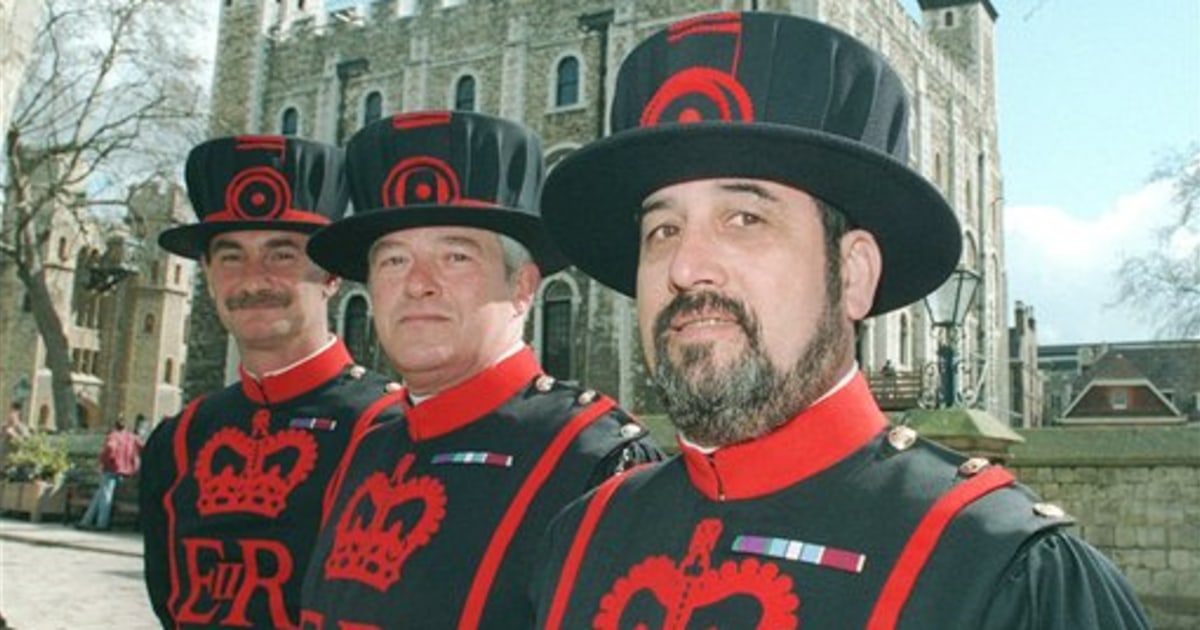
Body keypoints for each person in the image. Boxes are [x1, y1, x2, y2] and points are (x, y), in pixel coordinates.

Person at [530, 12, 1150, 629]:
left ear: (852, 272)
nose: (686, 266)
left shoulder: (1006, 577)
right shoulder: (580, 540)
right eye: (662, 229)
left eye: (745, 219)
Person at [297, 110, 663, 629]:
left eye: (455, 257)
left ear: (523, 286)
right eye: (394, 261)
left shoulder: (592, 462)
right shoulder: (365, 447)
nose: (418, 283)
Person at [141, 135, 401, 628]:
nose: (253, 279)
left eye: (281, 255)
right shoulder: (178, 441)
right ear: (208, 273)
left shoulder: (392, 429)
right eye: (231, 256)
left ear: (331, 276)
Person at [77, 418, 140, 531]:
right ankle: (85, 521)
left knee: (106, 495)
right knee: (100, 494)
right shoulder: (131, 437)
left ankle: (102, 524)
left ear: (115, 425)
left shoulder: (114, 436)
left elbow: (110, 448)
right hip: (126, 470)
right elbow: (142, 447)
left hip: (112, 468)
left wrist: (102, 462)